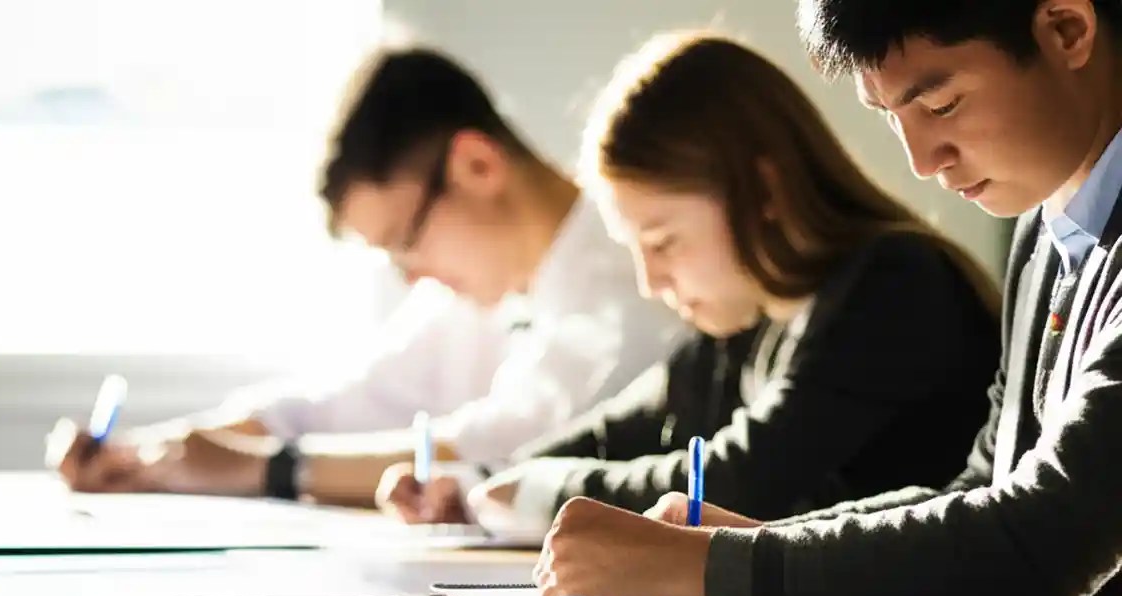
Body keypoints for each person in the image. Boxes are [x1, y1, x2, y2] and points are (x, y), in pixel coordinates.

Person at [537, 0, 1122, 596]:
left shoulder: (901, 277)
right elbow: (986, 486)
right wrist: (750, 545)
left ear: (1067, 30)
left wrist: (708, 567)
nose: (922, 161)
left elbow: (1041, 540)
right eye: (892, 117)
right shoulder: (1045, 233)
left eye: (942, 105)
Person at [376, 31, 1000, 529]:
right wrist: (478, 485)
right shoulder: (753, 320)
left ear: (760, 191)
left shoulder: (894, 284)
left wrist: (530, 491)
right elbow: (616, 434)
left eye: (664, 242)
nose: (650, 281)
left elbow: (736, 482)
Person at [50, 47, 684, 504]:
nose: (413, 278)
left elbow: (499, 452)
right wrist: (149, 452)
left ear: (476, 165)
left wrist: (266, 471)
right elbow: (342, 402)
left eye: (406, 243)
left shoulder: (631, 287)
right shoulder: (482, 293)